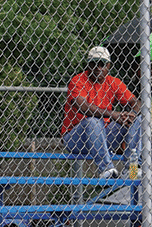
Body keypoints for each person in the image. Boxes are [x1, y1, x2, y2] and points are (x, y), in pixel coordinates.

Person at [61, 46, 145, 178]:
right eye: (94, 63)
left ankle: (132, 169)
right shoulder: (78, 81)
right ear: (88, 65)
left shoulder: (113, 82)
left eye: (102, 64)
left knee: (137, 119)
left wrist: (131, 115)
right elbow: (84, 107)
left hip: (103, 137)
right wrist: (113, 115)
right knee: (92, 121)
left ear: (108, 66)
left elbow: (136, 103)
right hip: (76, 138)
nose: (98, 68)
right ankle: (107, 170)